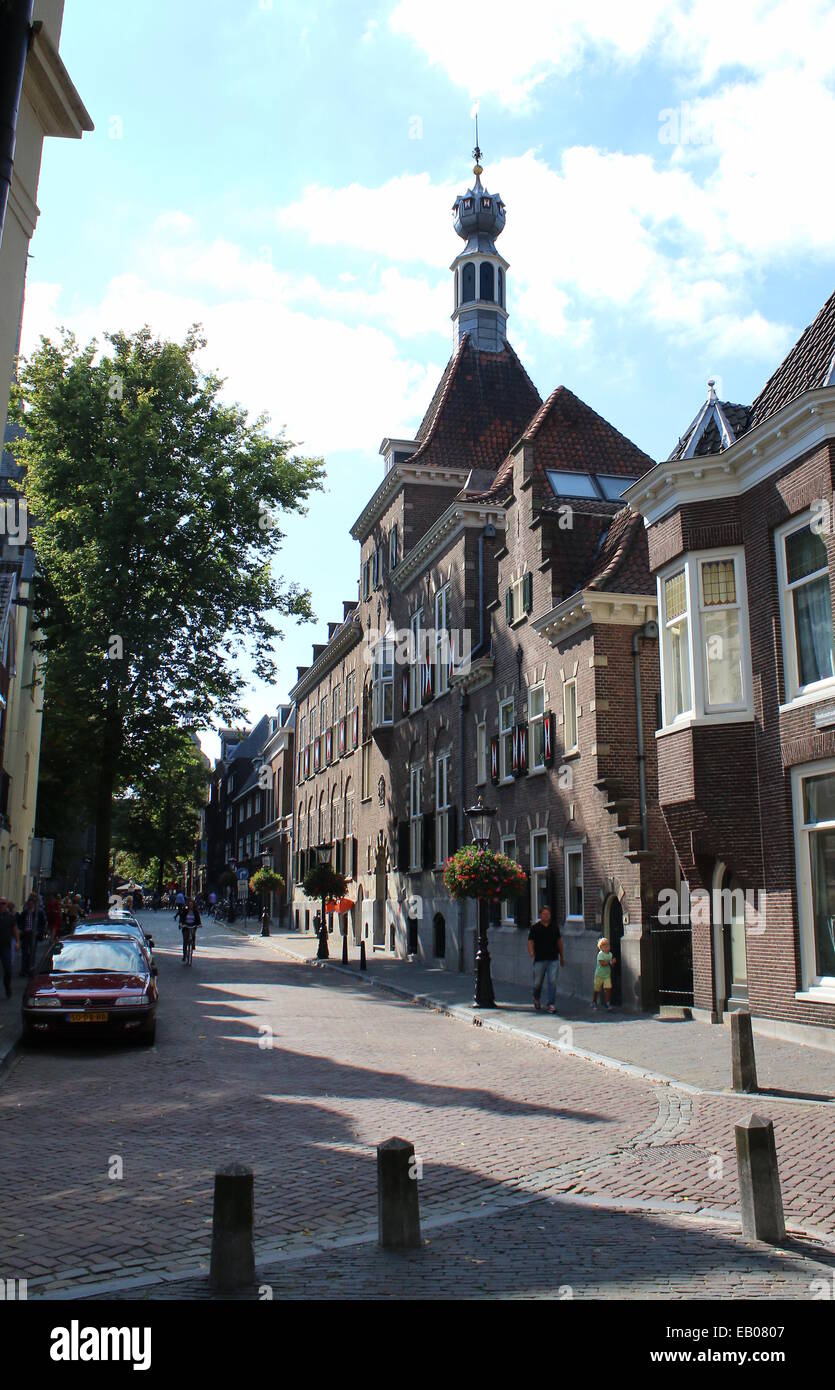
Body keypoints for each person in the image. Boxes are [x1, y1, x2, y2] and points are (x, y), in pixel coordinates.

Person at [527, 904, 564, 1013]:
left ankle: (551, 1004)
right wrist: (532, 954)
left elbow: (559, 942)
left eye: (548, 914)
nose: (546, 916)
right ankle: (536, 997)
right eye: (544, 914)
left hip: (553, 958)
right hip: (539, 959)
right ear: (540, 915)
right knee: (537, 982)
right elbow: (530, 942)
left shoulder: (554, 927)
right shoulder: (535, 928)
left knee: (552, 981)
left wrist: (562, 956)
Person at [18, 893, 47, 977]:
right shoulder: (25, 912)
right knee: (24, 952)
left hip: (34, 934)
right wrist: (22, 930)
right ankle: (24, 969)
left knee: (32, 952)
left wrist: (39, 931)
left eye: (32, 904)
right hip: (26, 933)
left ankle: (31, 968)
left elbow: (43, 922)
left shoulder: (39, 912)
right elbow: (20, 922)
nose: (30, 905)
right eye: (29, 904)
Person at [0, 897, 20, 998]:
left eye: (3, 903)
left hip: (5, 946)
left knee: (8, 969)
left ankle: (7, 987)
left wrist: (17, 942)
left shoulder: (10, 917)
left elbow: (15, 929)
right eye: (0, 903)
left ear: (6, 905)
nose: (1, 905)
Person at [592, 936, 616, 1010]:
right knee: (597, 989)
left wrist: (613, 962)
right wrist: (610, 962)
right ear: (601, 947)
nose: (606, 947)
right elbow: (603, 963)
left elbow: (611, 965)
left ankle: (608, 1003)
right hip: (599, 975)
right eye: (604, 946)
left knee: (608, 988)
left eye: (608, 945)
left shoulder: (610, 954)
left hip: (607, 975)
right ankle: (594, 1001)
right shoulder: (600, 954)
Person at [178, 896, 201, 962]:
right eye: (189, 904)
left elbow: (198, 919)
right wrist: (181, 924)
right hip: (186, 925)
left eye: (192, 904)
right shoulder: (185, 910)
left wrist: (199, 924)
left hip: (193, 925)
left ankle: (193, 943)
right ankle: (184, 955)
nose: (191, 906)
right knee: (185, 940)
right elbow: (181, 918)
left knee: (193, 934)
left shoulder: (195, 911)